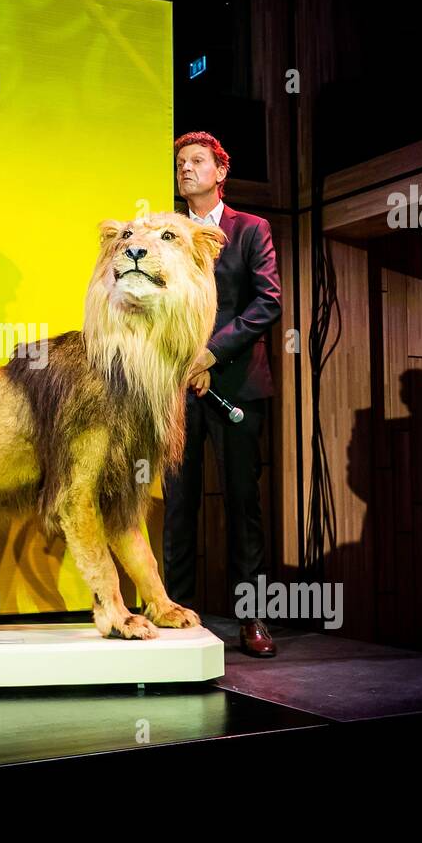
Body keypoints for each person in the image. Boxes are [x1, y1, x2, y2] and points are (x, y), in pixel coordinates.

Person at [163, 131, 282, 657]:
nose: (186, 169)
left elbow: (267, 302)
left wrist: (211, 355)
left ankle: (252, 620)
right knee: (178, 503)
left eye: (196, 161)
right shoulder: (165, 233)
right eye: (180, 163)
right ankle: (174, 610)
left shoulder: (251, 229)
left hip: (236, 386)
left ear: (220, 171)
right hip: (176, 390)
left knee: (243, 504)